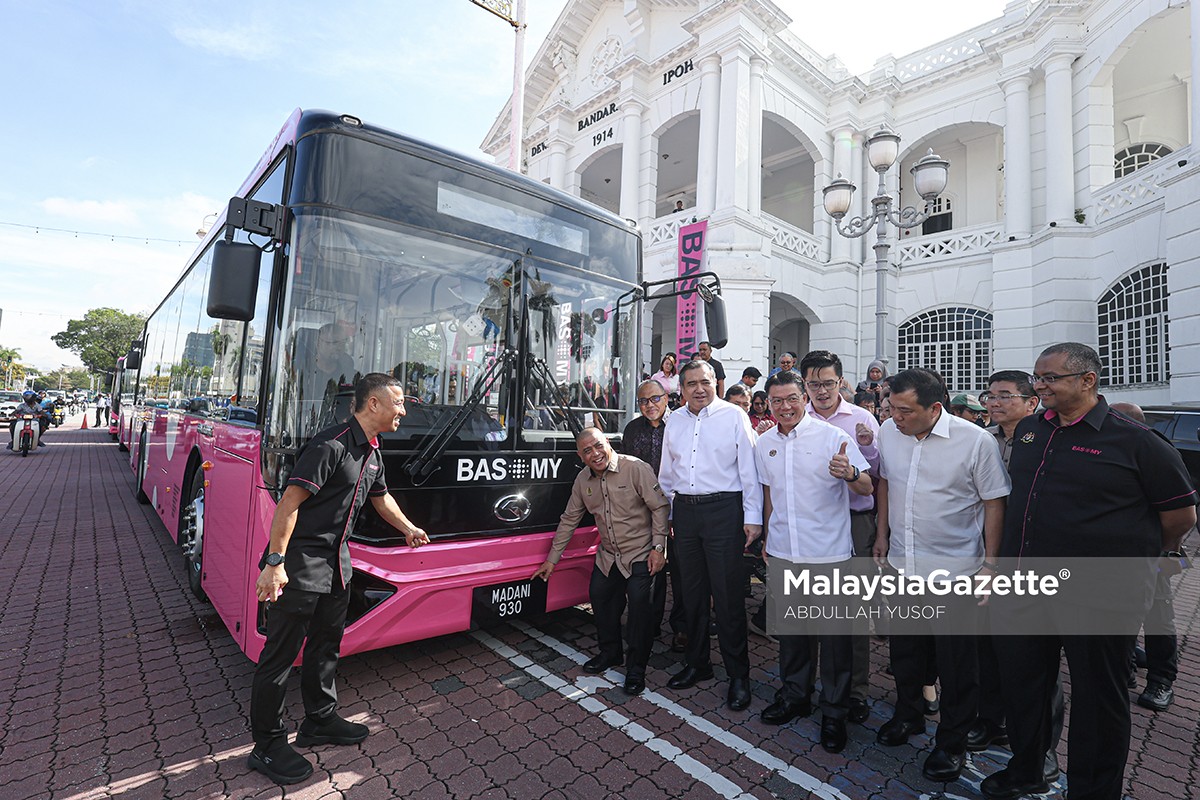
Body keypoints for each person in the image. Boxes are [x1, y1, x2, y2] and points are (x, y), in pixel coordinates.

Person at [983, 344, 1196, 800]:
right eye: (1036, 378)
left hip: (1100, 597)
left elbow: (1179, 516)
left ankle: (1093, 791)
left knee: (1100, 701)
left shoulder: (1136, 441)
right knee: (1026, 688)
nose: (1039, 386)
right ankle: (1028, 770)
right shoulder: (1030, 429)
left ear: (1087, 381)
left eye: (1050, 378)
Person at [248, 373, 429, 786]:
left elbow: (381, 498)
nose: (404, 411)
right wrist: (274, 562)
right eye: (398, 403)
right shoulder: (331, 445)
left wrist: (408, 528)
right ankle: (267, 745)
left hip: (337, 564)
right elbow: (289, 504)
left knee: (327, 645)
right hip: (301, 563)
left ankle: (320, 720)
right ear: (373, 405)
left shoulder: (373, 452)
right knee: (279, 656)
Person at [873, 368, 1010, 783]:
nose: (895, 417)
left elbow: (993, 504)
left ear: (935, 408)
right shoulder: (888, 432)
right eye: (891, 408)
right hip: (902, 565)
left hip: (957, 573)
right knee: (906, 654)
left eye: (904, 410)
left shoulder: (976, 441)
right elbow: (884, 482)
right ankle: (909, 715)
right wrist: (881, 534)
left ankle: (951, 742)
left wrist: (990, 565)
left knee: (957, 666)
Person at [755, 370, 873, 752]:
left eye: (792, 398)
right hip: (785, 552)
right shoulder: (765, 443)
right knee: (792, 636)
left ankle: (835, 713)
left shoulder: (833, 437)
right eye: (777, 401)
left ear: (804, 398)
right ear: (768, 404)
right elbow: (770, 493)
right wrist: (770, 538)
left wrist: (851, 473)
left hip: (830, 555)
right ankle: (795, 696)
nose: (785, 406)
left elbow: (867, 487)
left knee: (836, 642)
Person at [972, 370, 1064, 781]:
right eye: (989, 395)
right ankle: (993, 722)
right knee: (989, 649)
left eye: (1005, 396)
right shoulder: (982, 439)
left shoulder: (1047, 440)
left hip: (1030, 560)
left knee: (1037, 662)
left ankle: (1042, 749)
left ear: (1032, 402)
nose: (994, 403)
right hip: (986, 554)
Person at [535, 428, 670, 696]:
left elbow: (660, 507)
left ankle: (636, 668)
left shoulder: (635, 468)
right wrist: (552, 559)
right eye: (587, 451)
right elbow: (569, 519)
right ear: (580, 456)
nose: (595, 454)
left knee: (639, 611)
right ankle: (610, 654)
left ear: (607, 442)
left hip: (641, 553)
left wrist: (659, 548)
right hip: (608, 555)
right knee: (600, 598)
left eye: (598, 446)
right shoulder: (582, 480)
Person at [659, 360, 762, 711]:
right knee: (691, 594)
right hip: (685, 513)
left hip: (724, 511)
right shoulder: (675, 419)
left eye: (705, 382)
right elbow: (666, 472)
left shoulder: (733, 416)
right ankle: (697, 663)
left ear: (716, 383)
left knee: (728, 595)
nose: (699, 389)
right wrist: (670, 516)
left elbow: (749, 469)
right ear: (681, 389)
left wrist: (753, 518)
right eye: (691, 384)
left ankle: (738, 675)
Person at [800, 350, 882, 725]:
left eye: (828, 383)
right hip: (812, 524)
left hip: (855, 522)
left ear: (841, 383)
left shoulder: (863, 419)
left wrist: (865, 449)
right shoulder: (796, 418)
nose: (821, 391)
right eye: (813, 384)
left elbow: (879, 478)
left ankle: (856, 691)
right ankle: (813, 685)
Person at [1110, 401, 1181, 713]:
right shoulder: (1110, 451)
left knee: (1159, 616)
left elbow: (1182, 515)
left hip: (1155, 552)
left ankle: (1161, 680)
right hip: (1112, 555)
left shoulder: (1154, 449)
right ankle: (1126, 670)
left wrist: (1164, 553)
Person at [622, 380, 686, 653]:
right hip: (643, 509)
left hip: (679, 504)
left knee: (682, 571)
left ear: (667, 397)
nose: (650, 405)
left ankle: (682, 627)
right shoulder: (632, 429)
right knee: (652, 565)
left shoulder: (681, 424)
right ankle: (649, 624)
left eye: (655, 399)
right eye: (643, 401)